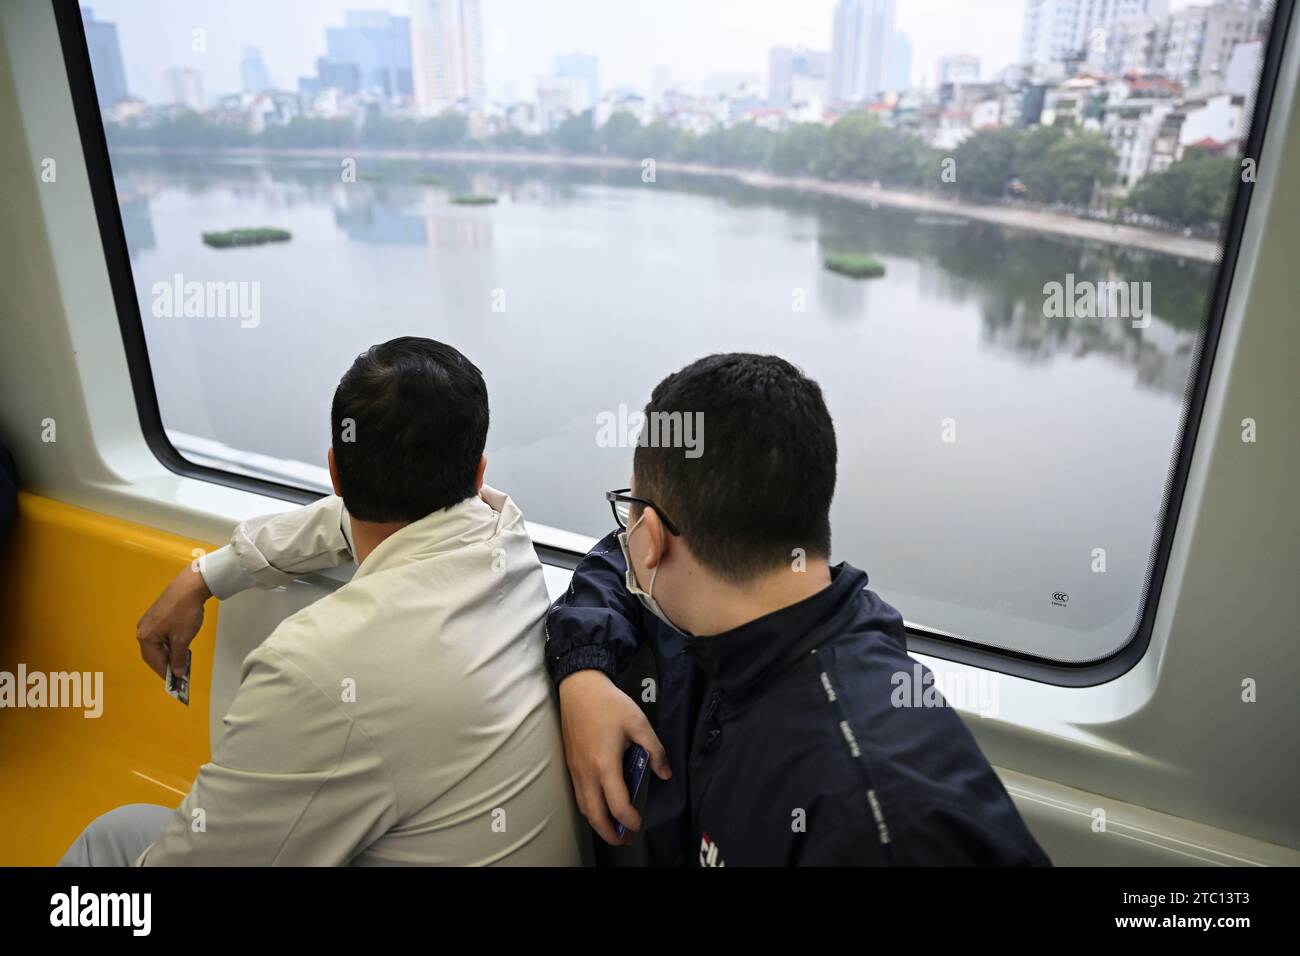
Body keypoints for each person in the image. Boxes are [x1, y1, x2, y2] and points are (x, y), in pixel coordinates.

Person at [61, 337, 583, 866]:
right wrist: (207, 575)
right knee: (125, 829)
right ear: (477, 473)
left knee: (108, 844)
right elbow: (343, 521)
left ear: (334, 472)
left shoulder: (314, 669)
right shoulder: (506, 536)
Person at [544, 353, 1050, 866]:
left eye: (630, 511)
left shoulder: (875, 823)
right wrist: (583, 673)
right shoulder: (743, 616)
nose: (626, 539)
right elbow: (616, 563)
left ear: (653, 539)